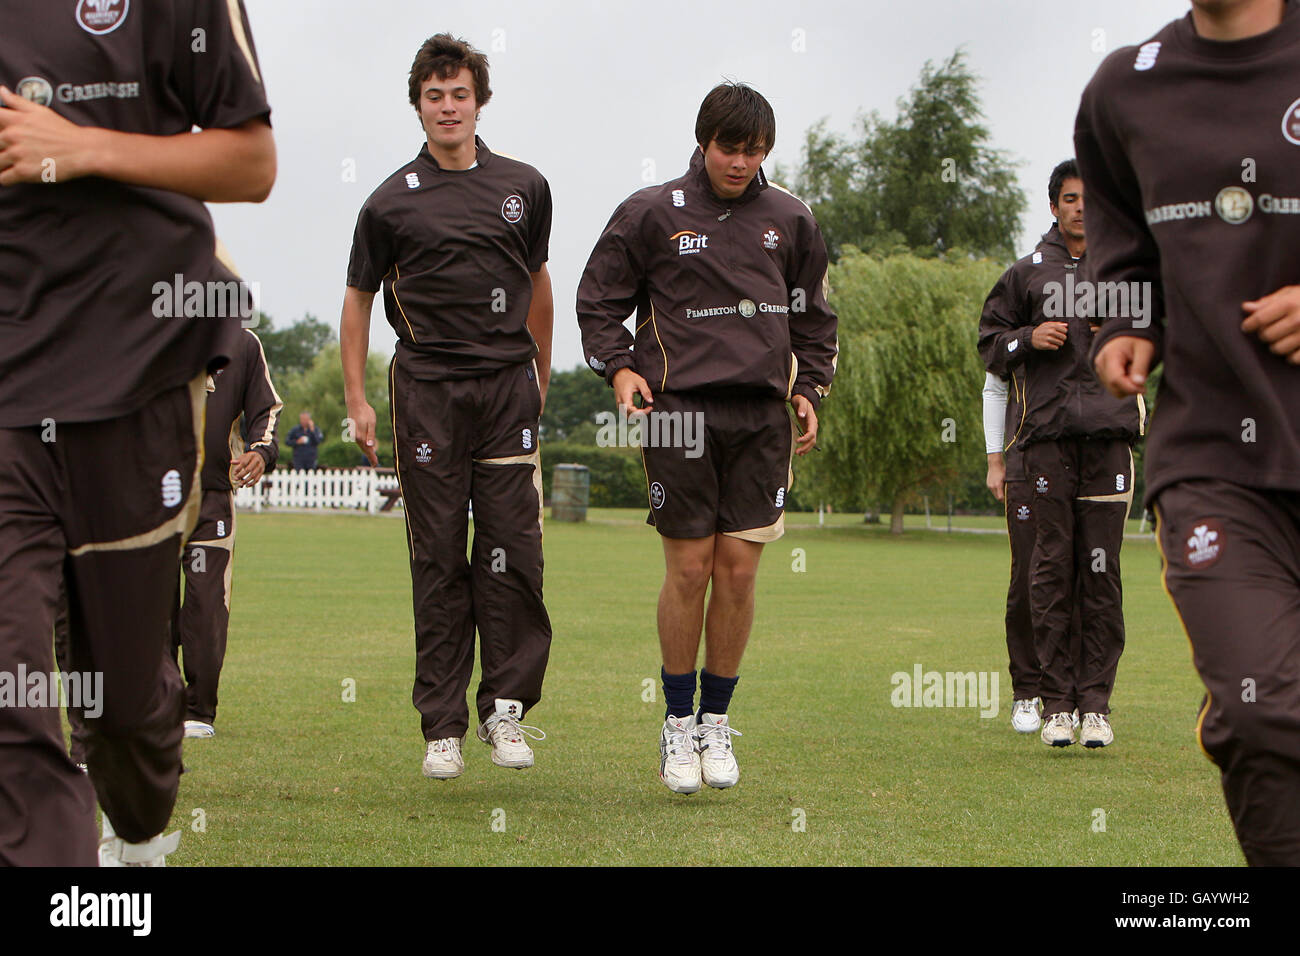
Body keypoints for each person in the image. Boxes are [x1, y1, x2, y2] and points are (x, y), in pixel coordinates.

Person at [0, 0, 274, 865]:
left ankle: (143, 826)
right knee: (12, 693)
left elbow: (251, 161)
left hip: (139, 377)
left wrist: (80, 149)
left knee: (124, 706)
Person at [1079, 0, 1300, 863]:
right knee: (1261, 710)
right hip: (1214, 457)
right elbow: (1124, 256)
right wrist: (1128, 327)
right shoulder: (1126, 90)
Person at [577, 82, 838, 794]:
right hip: (680, 412)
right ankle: (675, 725)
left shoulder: (791, 218)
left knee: (741, 572)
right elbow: (599, 301)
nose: (741, 163)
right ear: (703, 141)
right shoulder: (651, 212)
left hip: (760, 418)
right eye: (731, 148)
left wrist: (810, 390)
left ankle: (716, 724)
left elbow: (815, 320)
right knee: (690, 571)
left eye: (755, 152)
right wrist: (621, 371)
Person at [341, 33, 554, 780]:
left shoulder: (524, 185)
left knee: (511, 554)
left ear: (479, 100)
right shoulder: (389, 201)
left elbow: (540, 289)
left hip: (505, 390)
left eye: (459, 94)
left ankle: (506, 712)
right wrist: (357, 398)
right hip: (426, 391)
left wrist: (542, 375)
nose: (448, 107)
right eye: (434, 96)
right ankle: (442, 726)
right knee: (437, 558)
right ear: (418, 105)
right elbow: (358, 297)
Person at [978, 160, 1143, 749]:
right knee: (1049, 570)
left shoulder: (1125, 273)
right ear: (1054, 207)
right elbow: (990, 348)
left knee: (1101, 572)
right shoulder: (1025, 275)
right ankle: (1055, 705)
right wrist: (1029, 338)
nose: (1080, 209)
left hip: (1110, 440)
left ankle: (1096, 705)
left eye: (1090, 200)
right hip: (1045, 443)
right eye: (1070, 199)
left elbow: (1157, 338)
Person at [174, 321, 282, 739]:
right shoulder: (138, 329)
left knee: (205, 604)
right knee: (151, 608)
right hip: (146, 502)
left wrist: (261, 451)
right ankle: (158, 706)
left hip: (212, 496)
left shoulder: (241, 343)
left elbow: (265, 411)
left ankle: (198, 711)